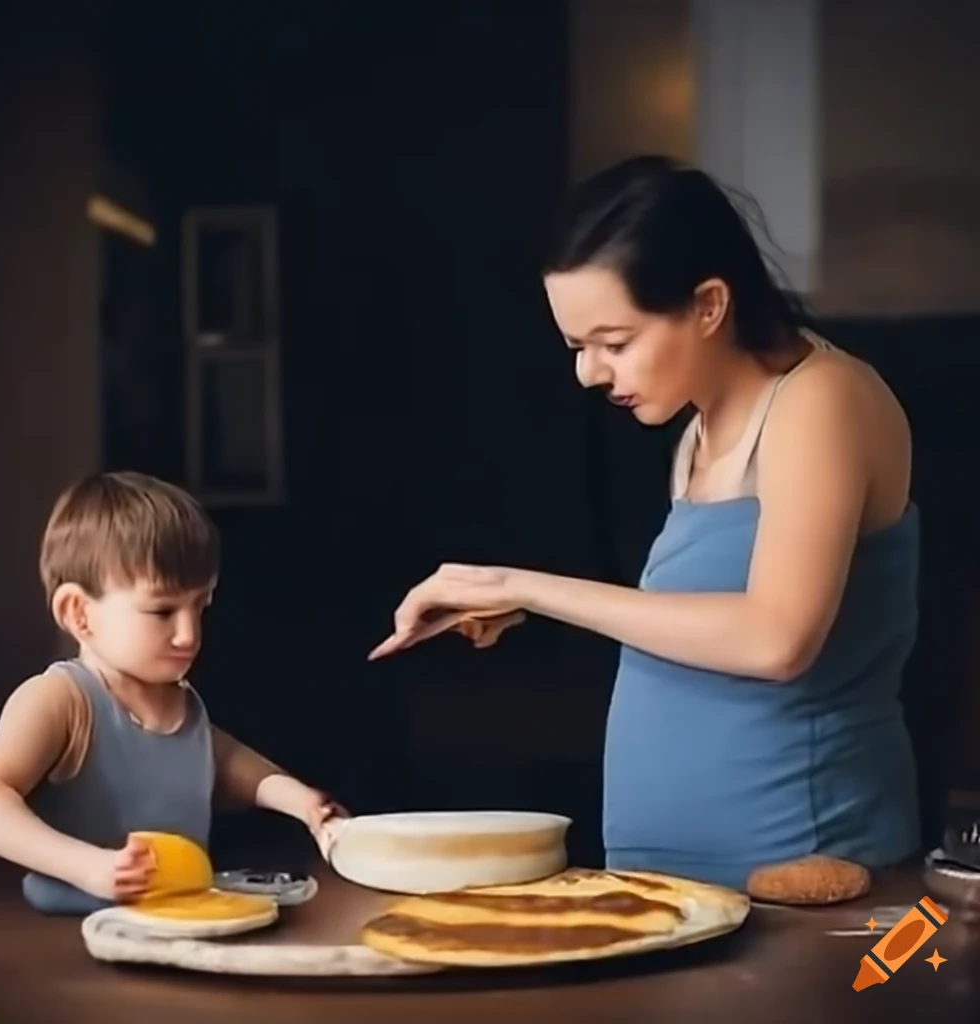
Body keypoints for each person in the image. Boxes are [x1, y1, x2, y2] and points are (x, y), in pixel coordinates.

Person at [369, 155, 921, 890]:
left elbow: (777, 637)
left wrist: (525, 586)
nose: (589, 373)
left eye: (614, 343)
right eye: (577, 347)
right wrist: (517, 601)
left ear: (708, 305)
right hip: (672, 874)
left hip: (797, 867)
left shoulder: (820, 400)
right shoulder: (698, 429)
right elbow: (691, 624)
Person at [0, 471, 347, 914]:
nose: (189, 634)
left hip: (176, 922)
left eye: (201, 606)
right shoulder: (60, 699)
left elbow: (228, 764)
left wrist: (305, 805)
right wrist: (89, 867)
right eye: (162, 611)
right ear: (78, 613)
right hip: (66, 938)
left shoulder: (182, 703)